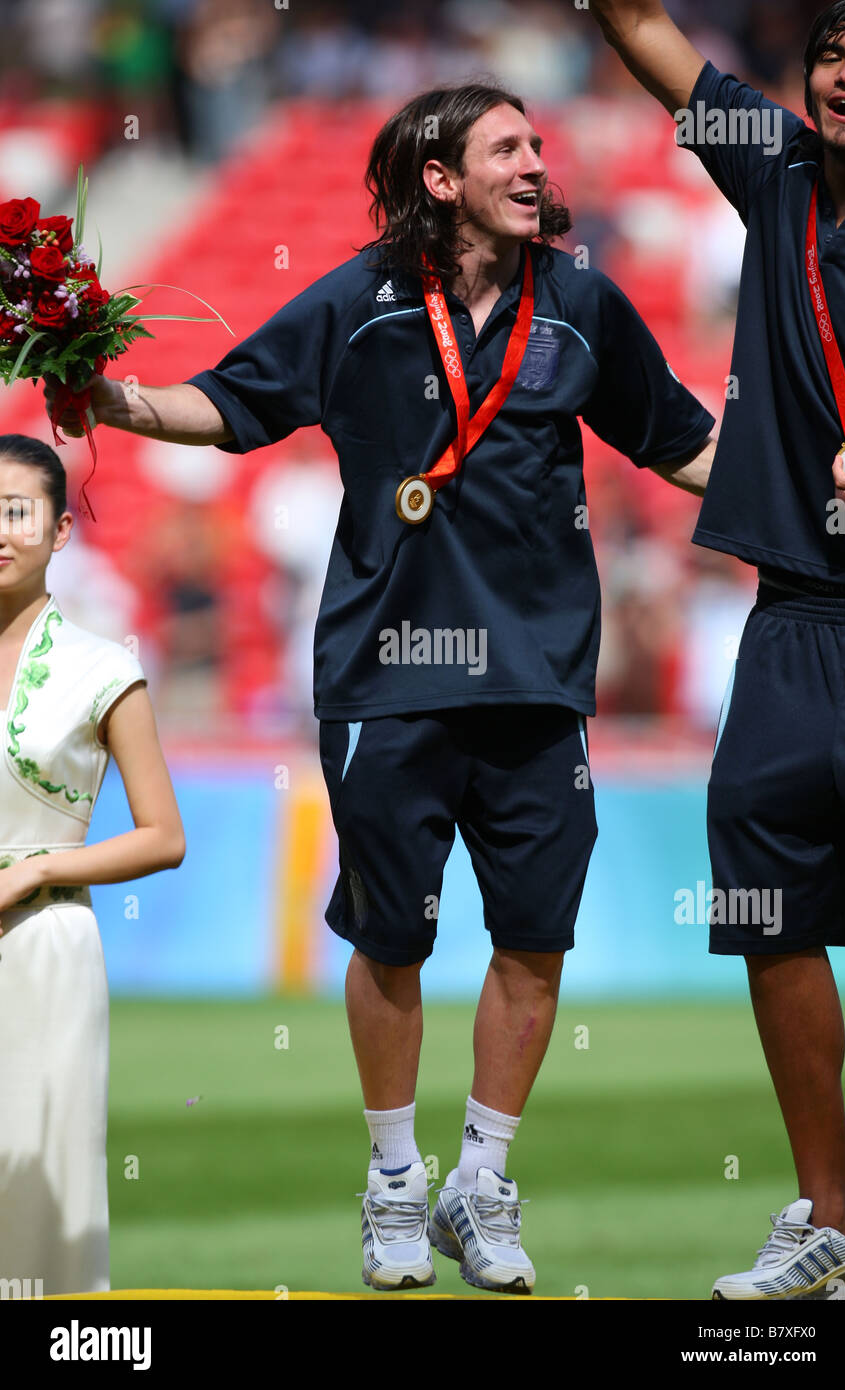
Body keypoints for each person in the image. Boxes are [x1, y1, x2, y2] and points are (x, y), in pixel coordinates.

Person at [47, 82, 715, 1294]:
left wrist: (817, 505)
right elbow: (232, 403)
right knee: (390, 938)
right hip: (384, 678)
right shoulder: (357, 303)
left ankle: (484, 1179)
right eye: (505, 147)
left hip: (539, 681)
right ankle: (396, 1180)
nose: (535, 162)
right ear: (440, 178)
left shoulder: (580, 305)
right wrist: (117, 401)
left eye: (536, 144)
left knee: (534, 938)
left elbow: (678, 441)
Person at [588, 0, 845, 1299]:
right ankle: (833, 1217)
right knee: (765, 904)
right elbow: (637, 26)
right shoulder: (772, 167)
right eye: (831, 54)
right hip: (793, 616)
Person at [0, 434, 185, 1295]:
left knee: (44, 1180)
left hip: (44, 944)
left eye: (17, 512)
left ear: (60, 530)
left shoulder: (103, 667)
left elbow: (162, 835)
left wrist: (33, 872)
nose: (0, 531)